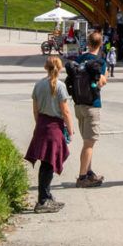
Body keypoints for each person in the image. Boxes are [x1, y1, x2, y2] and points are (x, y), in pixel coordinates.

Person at [24, 55, 73, 213]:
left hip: (42, 125)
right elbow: (65, 111)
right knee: (48, 164)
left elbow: (34, 110)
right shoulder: (60, 86)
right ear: (60, 68)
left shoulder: (38, 85)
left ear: (46, 67)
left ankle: (46, 196)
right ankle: (43, 200)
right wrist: (70, 129)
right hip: (54, 128)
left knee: (47, 163)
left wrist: (39, 124)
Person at [74, 30, 108, 188]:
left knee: (86, 142)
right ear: (100, 44)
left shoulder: (79, 59)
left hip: (78, 105)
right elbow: (101, 83)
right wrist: (104, 77)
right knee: (89, 144)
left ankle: (89, 172)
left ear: (88, 43)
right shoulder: (99, 61)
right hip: (92, 105)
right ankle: (82, 177)